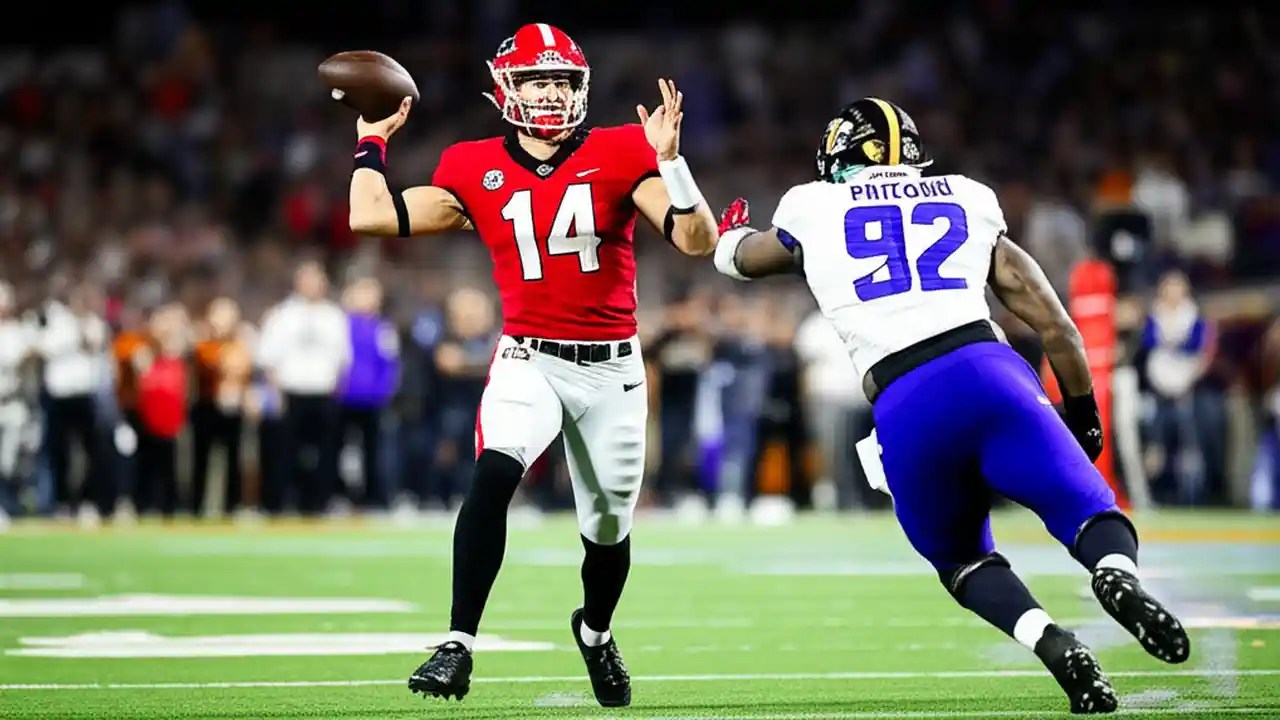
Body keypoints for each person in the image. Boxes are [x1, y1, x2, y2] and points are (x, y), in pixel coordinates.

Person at [711, 97, 1190, 714]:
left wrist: (729, 234)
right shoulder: (967, 195)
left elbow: (740, 260)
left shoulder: (812, 206)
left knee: (962, 558)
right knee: (1088, 509)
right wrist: (1083, 416)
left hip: (906, 398)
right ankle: (1116, 574)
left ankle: (1055, 645)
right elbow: (1057, 327)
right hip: (991, 373)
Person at [345, 23, 718, 707]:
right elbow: (369, 216)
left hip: (613, 370)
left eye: (561, 80)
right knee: (493, 476)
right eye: (536, 80)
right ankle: (457, 644)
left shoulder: (621, 149)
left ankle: (596, 633)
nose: (549, 92)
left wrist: (671, 162)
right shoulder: (470, 165)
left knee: (607, 530)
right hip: (530, 358)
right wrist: (372, 140)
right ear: (505, 89)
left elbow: (697, 240)